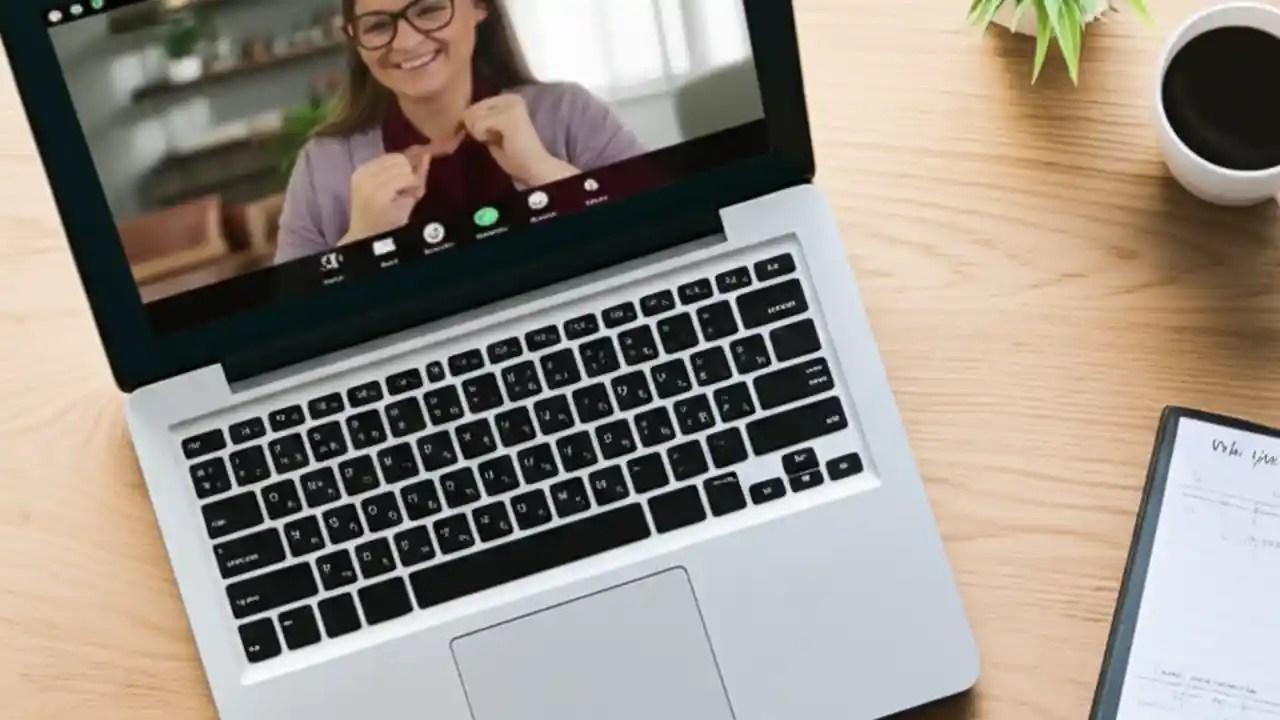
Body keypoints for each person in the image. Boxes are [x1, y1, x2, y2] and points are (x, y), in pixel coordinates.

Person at [275, 0, 648, 264]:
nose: (405, 41)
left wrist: (543, 171)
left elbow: (665, 228)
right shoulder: (321, 165)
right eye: (377, 25)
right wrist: (360, 243)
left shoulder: (569, 111)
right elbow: (287, 324)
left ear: (479, 7)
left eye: (430, 9)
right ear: (355, 39)